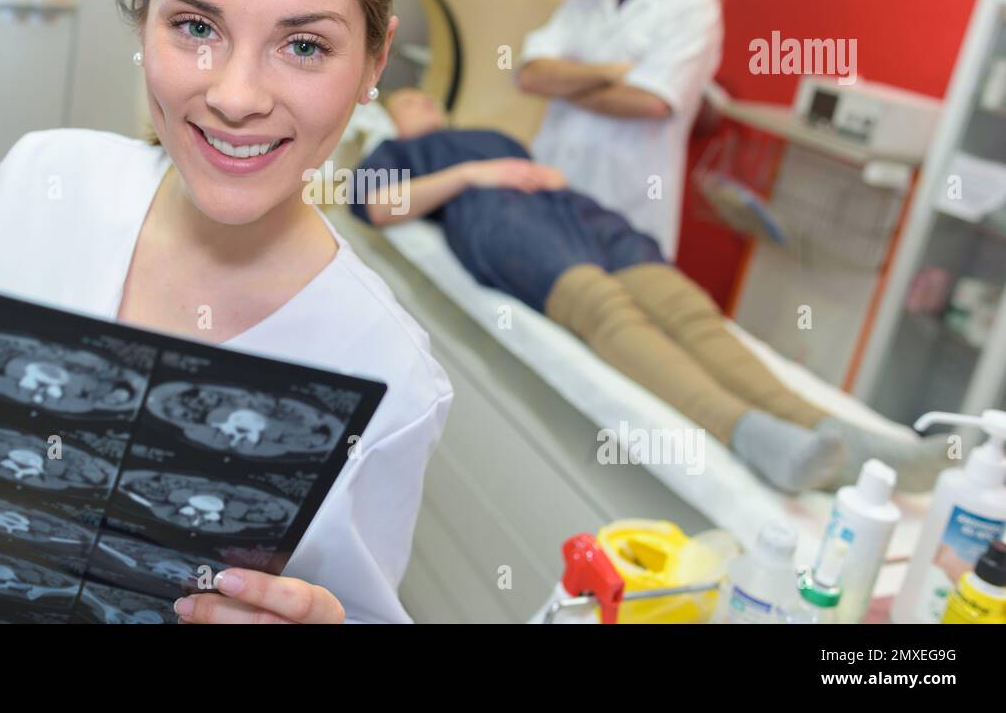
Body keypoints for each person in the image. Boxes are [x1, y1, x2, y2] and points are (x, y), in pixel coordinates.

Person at [0, 0, 454, 624]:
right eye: (197, 28)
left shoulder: (389, 374)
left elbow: (356, 608)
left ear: (377, 60)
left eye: (304, 44)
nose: (237, 94)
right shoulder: (41, 182)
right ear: (144, 14)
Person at [349, 88, 951, 494]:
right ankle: (750, 433)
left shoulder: (492, 132)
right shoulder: (396, 151)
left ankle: (837, 432)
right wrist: (474, 175)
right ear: (391, 115)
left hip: (574, 210)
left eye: (425, 96)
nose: (421, 104)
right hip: (491, 215)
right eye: (407, 99)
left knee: (689, 312)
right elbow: (379, 207)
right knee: (608, 311)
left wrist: (527, 171)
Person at [515, 0, 722, 259]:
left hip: (624, 203)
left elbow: (650, 102)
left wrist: (564, 81)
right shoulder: (583, 1)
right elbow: (529, 76)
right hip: (549, 182)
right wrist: (610, 73)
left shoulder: (693, 7)